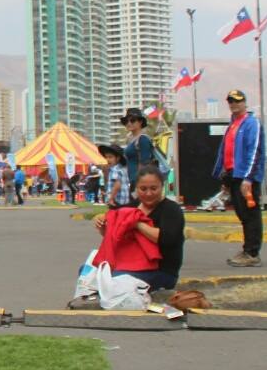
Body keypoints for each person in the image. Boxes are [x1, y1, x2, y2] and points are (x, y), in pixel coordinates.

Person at [75, 167, 186, 304]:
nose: (149, 193)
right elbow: (116, 236)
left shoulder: (172, 210)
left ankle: (104, 299)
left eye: (154, 188)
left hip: (162, 271)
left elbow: (167, 239)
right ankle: (102, 299)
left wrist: (137, 224)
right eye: (143, 189)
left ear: (162, 187)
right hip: (128, 263)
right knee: (87, 271)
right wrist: (103, 227)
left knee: (115, 277)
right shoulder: (131, 207)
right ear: (136, 189)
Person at [214, 89, 265, 267]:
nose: (234, 104)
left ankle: (252, 253)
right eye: (230, 101)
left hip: (245, 178)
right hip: (233, 176)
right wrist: (224, 178)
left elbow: (255, 151)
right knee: (242, 214)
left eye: (237, 100)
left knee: (250, 214)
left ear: (244, 102)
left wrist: (248, 178)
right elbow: (226, 153)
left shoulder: (251, 123)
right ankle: (247, 250)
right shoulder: (233, 125)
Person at [119, 108, 158, 187]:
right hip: (133, 182)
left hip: (140, 183)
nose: (129, 123)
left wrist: (139, 183)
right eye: (126, 121)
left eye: (132, 120)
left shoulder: (143, 139)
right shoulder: (131, 140)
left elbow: (144, 163)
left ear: (140, 122)